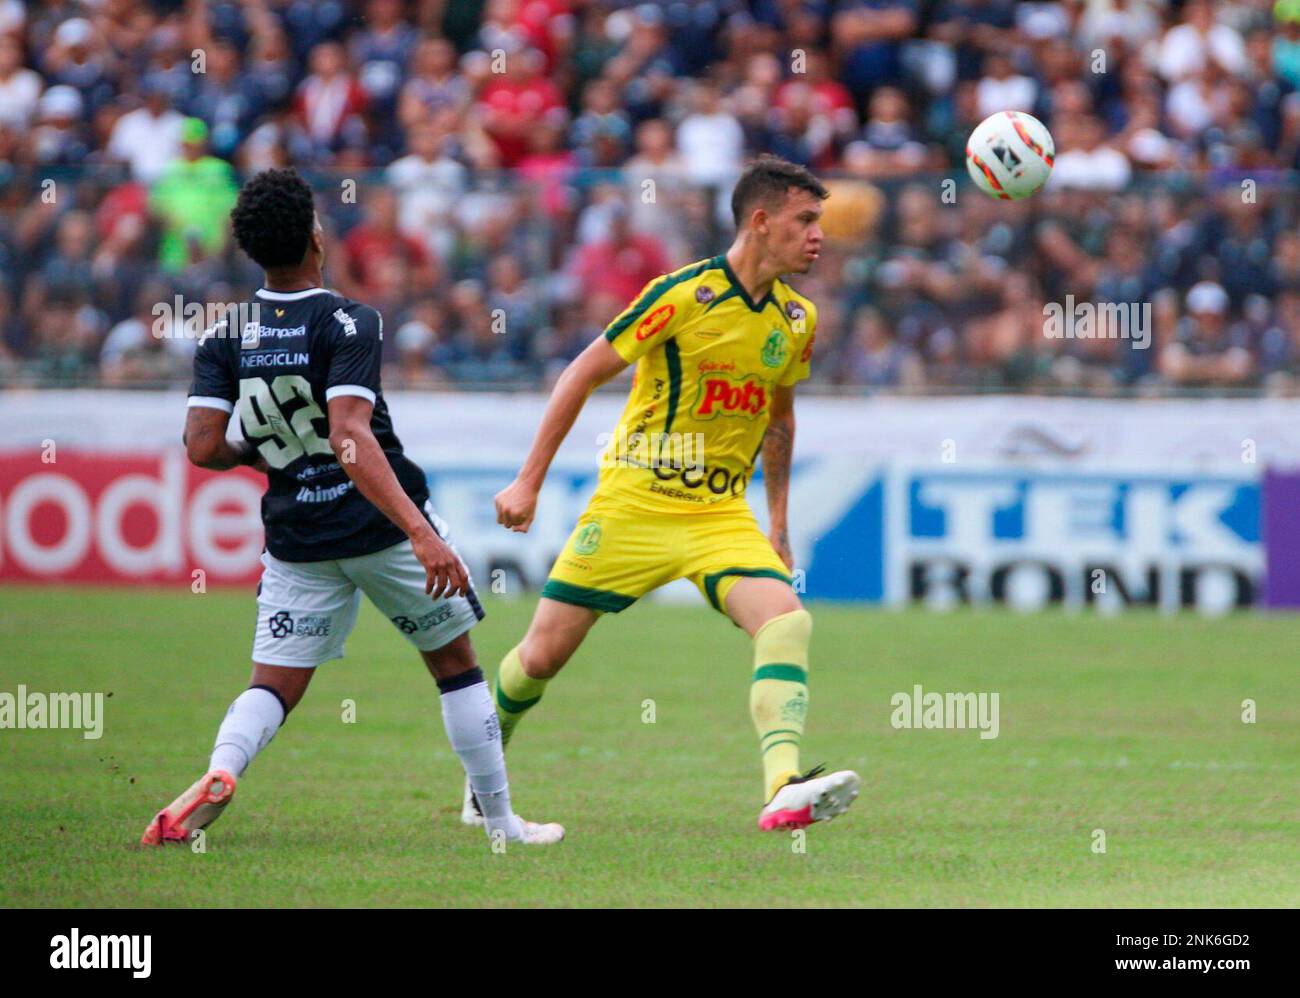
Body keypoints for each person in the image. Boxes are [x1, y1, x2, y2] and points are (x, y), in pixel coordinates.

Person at [141, 168, 562, 848]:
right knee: (455, 666)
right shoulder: (348, 319)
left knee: (273, 685)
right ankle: (503, 824)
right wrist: (423, 535)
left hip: (296, 538)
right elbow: (349, 435)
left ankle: (221, 770)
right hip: (379, 530)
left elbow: (202, 446)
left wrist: (265, 444)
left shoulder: (225, 334)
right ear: (316, 237)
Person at [467, 156, 860, 832]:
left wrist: (780, 522)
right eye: (806, 220)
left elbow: (780, 418)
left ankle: (783, 788)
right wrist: (528, 480)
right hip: (634, 506)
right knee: (539, 659)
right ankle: (484, 778)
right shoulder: (683, 295)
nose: (818, 235)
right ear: (761, 222)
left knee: (787, 620)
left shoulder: (796, 318)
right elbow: (581, 374)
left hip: (717, 515)